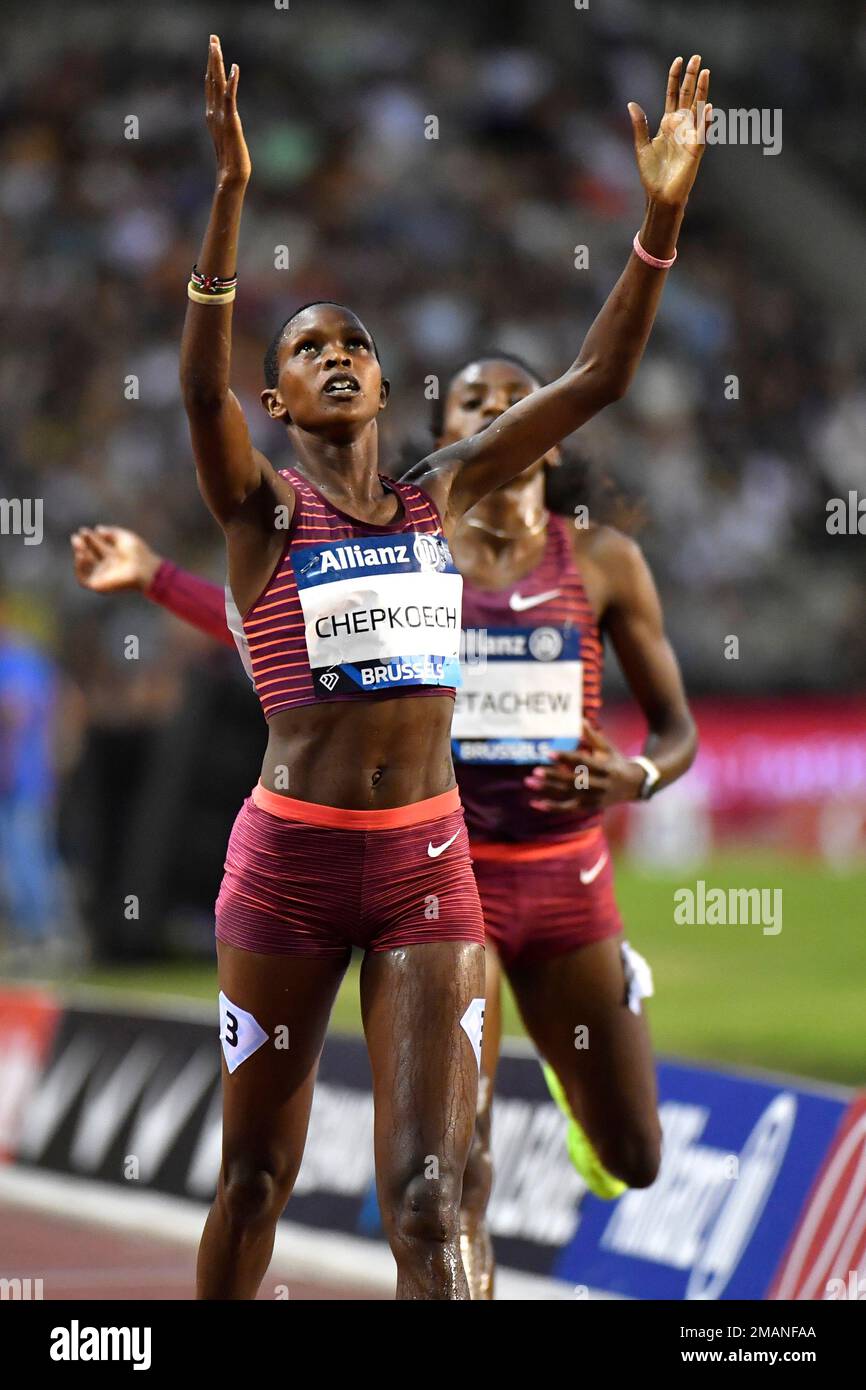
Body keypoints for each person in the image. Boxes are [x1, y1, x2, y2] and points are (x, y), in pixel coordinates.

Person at [148, 35, 708, 1299]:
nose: (335, 351)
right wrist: (230, 195)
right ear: (280, 402)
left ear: (390, 383)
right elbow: (196, 398)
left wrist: (657, 217)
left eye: (353, 341)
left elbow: (597, 375)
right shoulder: (261, 514)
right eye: (305, 348)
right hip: (287, 864)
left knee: (432, 1188)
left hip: (427, 869)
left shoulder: (437, 491)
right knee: (254, 1182)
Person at [73, 344, 695, 1302]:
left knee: (623, 1156)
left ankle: (591, 1082)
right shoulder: (399, 539)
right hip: (437, 866)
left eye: (512, 403)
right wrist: (161, 578)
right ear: (450, 432)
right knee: (423, 1180)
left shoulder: (584, 560)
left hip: (537, 872)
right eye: (477, 401)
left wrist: (637, 775)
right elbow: (272, 622)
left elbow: (601, 376)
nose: (494, 412)